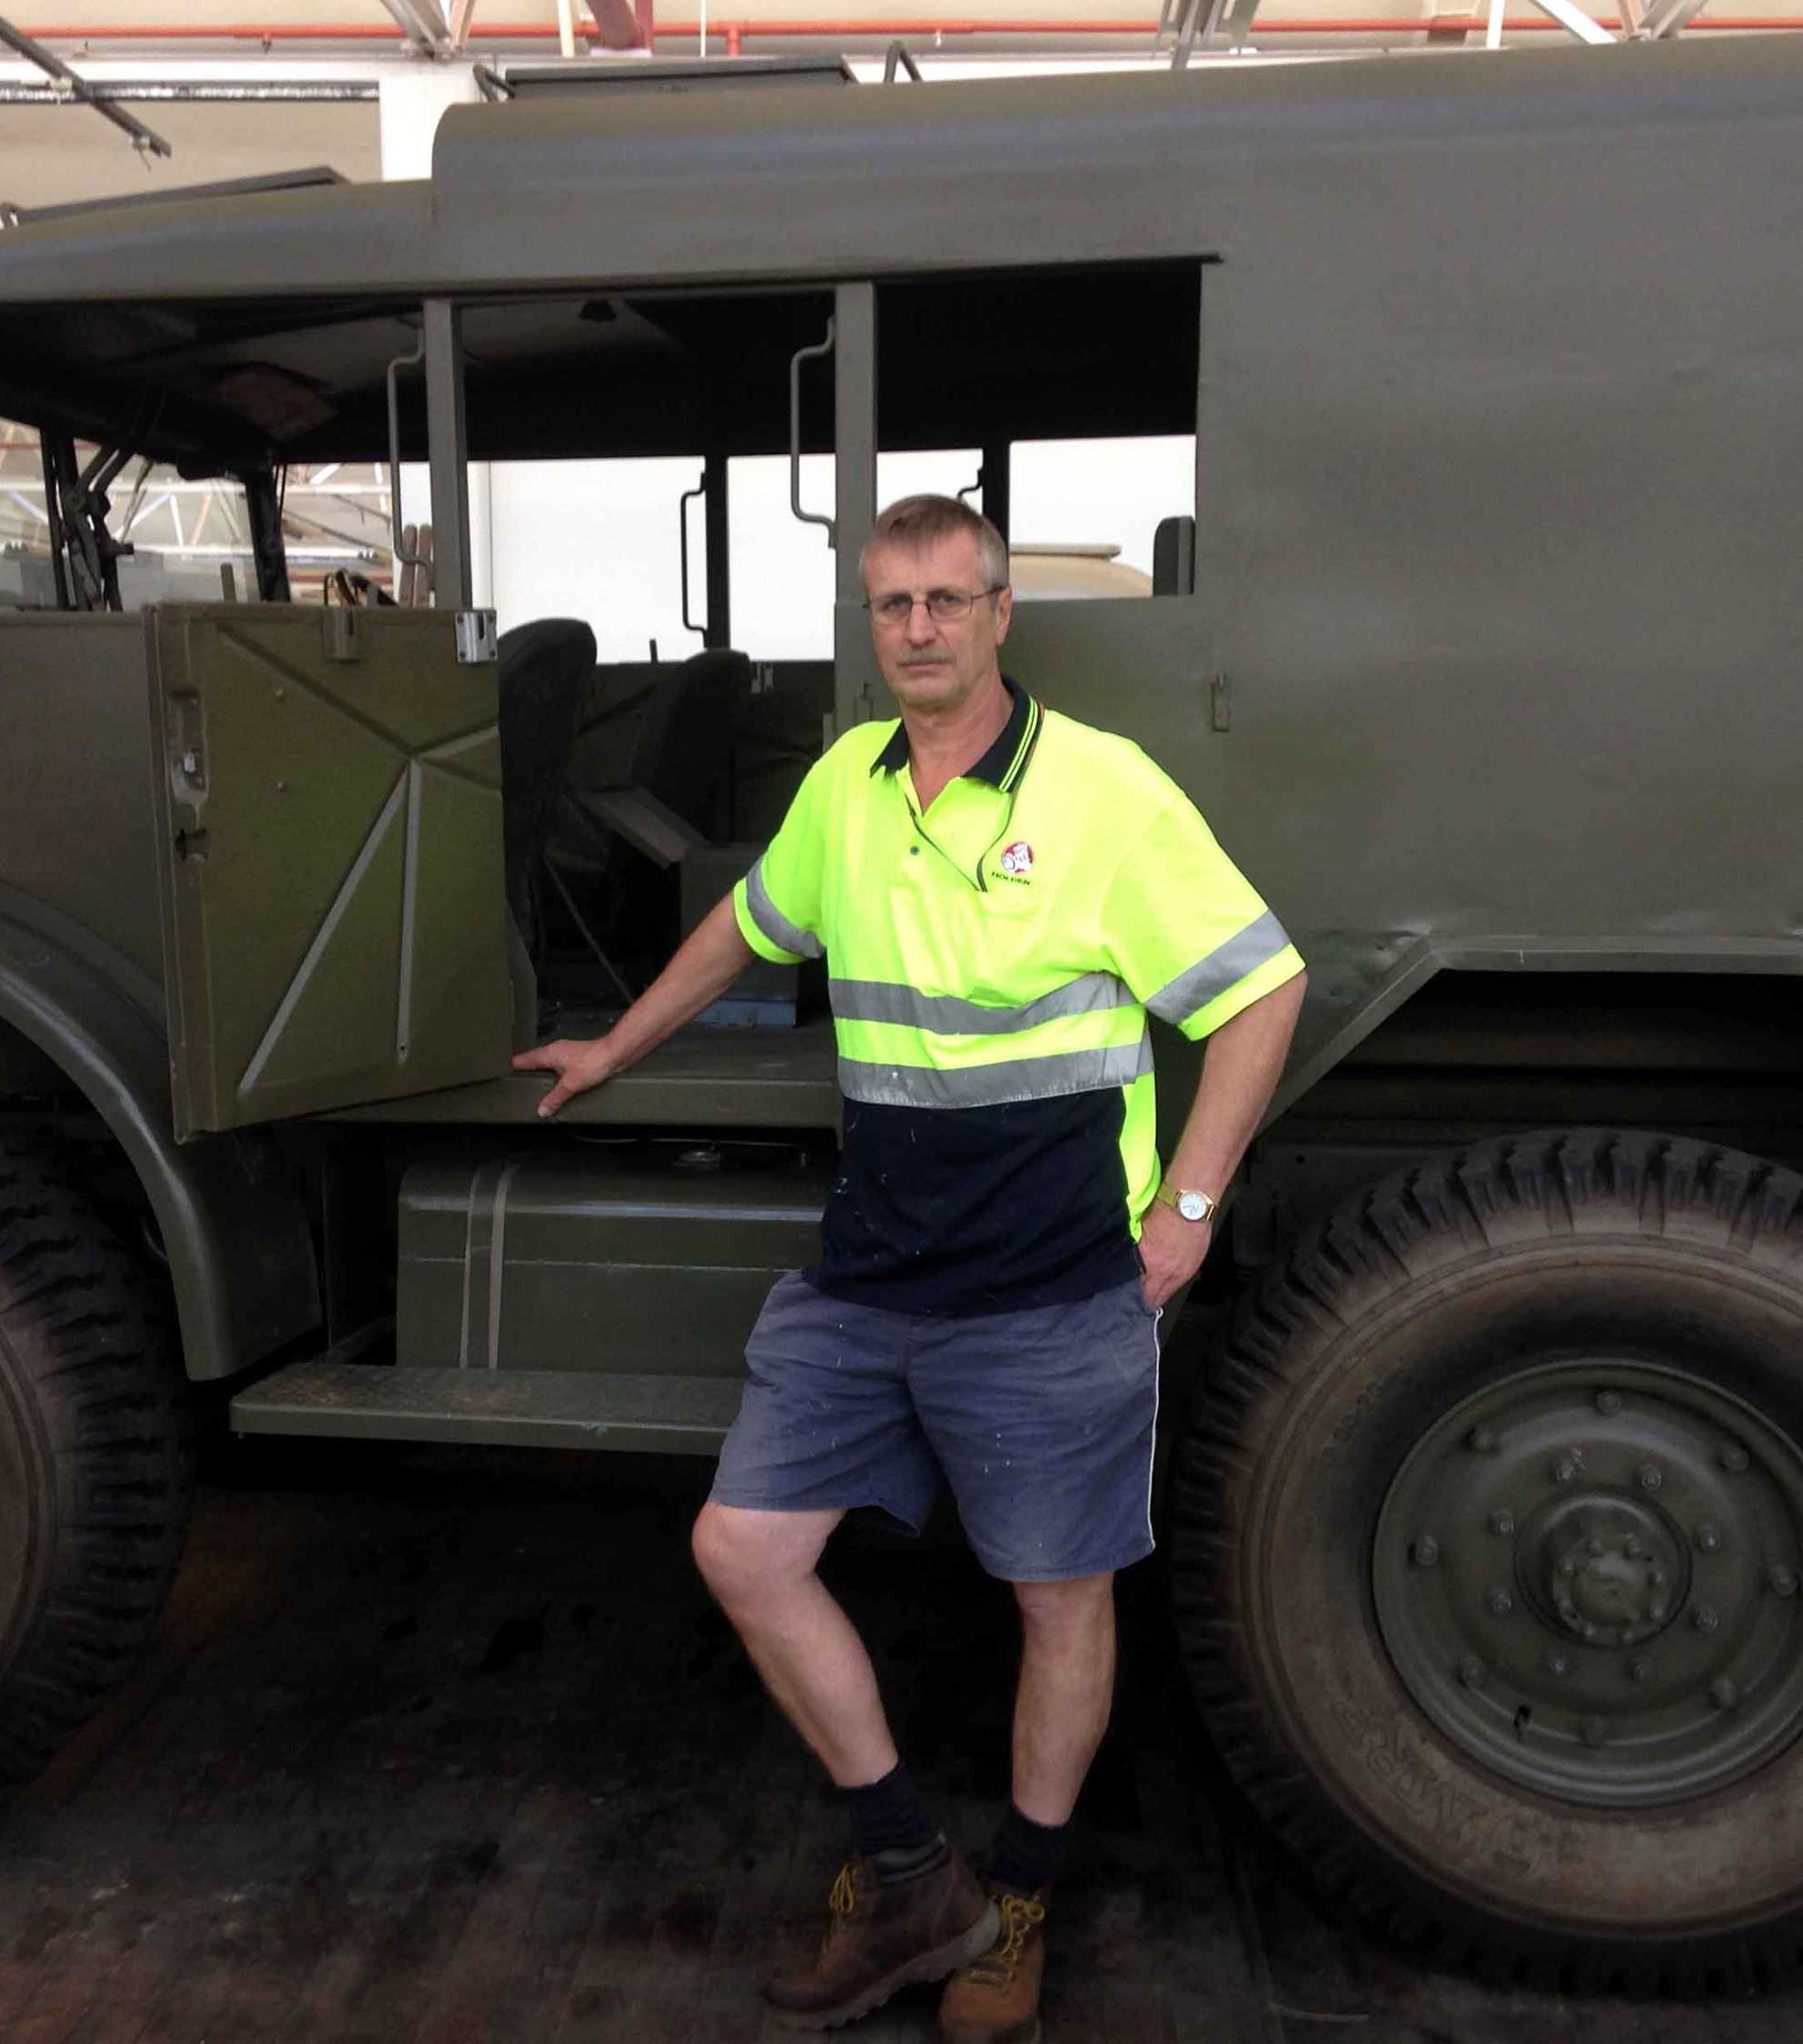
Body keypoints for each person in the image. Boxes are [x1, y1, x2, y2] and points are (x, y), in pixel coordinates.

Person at [511, 493, 1305, 2041]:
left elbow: (1261, 990)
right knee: (745, 1549)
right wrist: (616, 1042)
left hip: (1055, 1287)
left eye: (950, 599)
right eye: (895, 604)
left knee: (1059, 1602)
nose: (922, 627)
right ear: (871, 624)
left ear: (1002, 614)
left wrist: (1191, 1207)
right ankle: (912, 1873)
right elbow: (746, 925)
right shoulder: (846, 785)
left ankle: (1021, 1904)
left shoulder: (1103, 790)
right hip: (870, 1276)